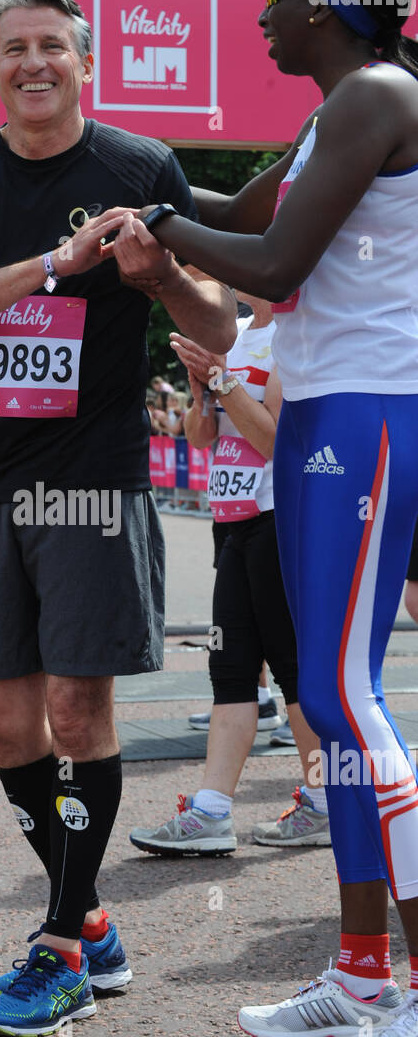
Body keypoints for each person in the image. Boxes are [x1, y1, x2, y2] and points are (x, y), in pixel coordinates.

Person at [108, 0, 418, 1037]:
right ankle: (360, 974)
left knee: (344, 699)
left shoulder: (377, 94)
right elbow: (223, 207)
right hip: (331, 414)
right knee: (334, 705)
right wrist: (122, 174)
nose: (257, 16)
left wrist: (157, 228)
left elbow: (272, 264)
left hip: (368, 416)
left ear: (325, 7)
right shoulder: (338, 110)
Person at [0, 0, 237, 1037]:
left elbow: (218, 326)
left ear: (85, 63)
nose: (34, 63)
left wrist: (155, 280)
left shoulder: (140, 168)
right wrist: (53, 262)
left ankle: (58, 949)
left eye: (52, 45)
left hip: (95, 479)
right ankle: (89, 914)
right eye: (14, 48)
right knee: (1, 717)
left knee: (79, 714)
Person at [130, 288, 325, 856]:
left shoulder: (295, 335)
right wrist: (201, 396)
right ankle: (212, 812)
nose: (231, 272)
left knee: (292, 669)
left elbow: (275, 439)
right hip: (233, 522)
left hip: (278, 519)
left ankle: (325, 802)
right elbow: (200, 437)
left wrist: (222, 380)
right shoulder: (232, 335)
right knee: (231, 668)